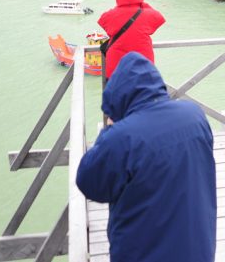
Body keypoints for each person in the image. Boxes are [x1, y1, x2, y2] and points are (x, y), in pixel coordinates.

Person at [76, 52, 217, 262]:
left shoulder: (122, 137)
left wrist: (108, 131)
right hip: (198, 252)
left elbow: (89, 182)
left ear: (118, 96)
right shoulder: (194, 115)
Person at [98, 0, 165, 79]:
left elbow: (102, 20)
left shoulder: (110, 15)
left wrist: (119, 7)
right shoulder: (148, 14)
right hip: (143, 70)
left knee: (116, 94)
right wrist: (142, 4)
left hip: (116, 70)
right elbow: (159, 17)